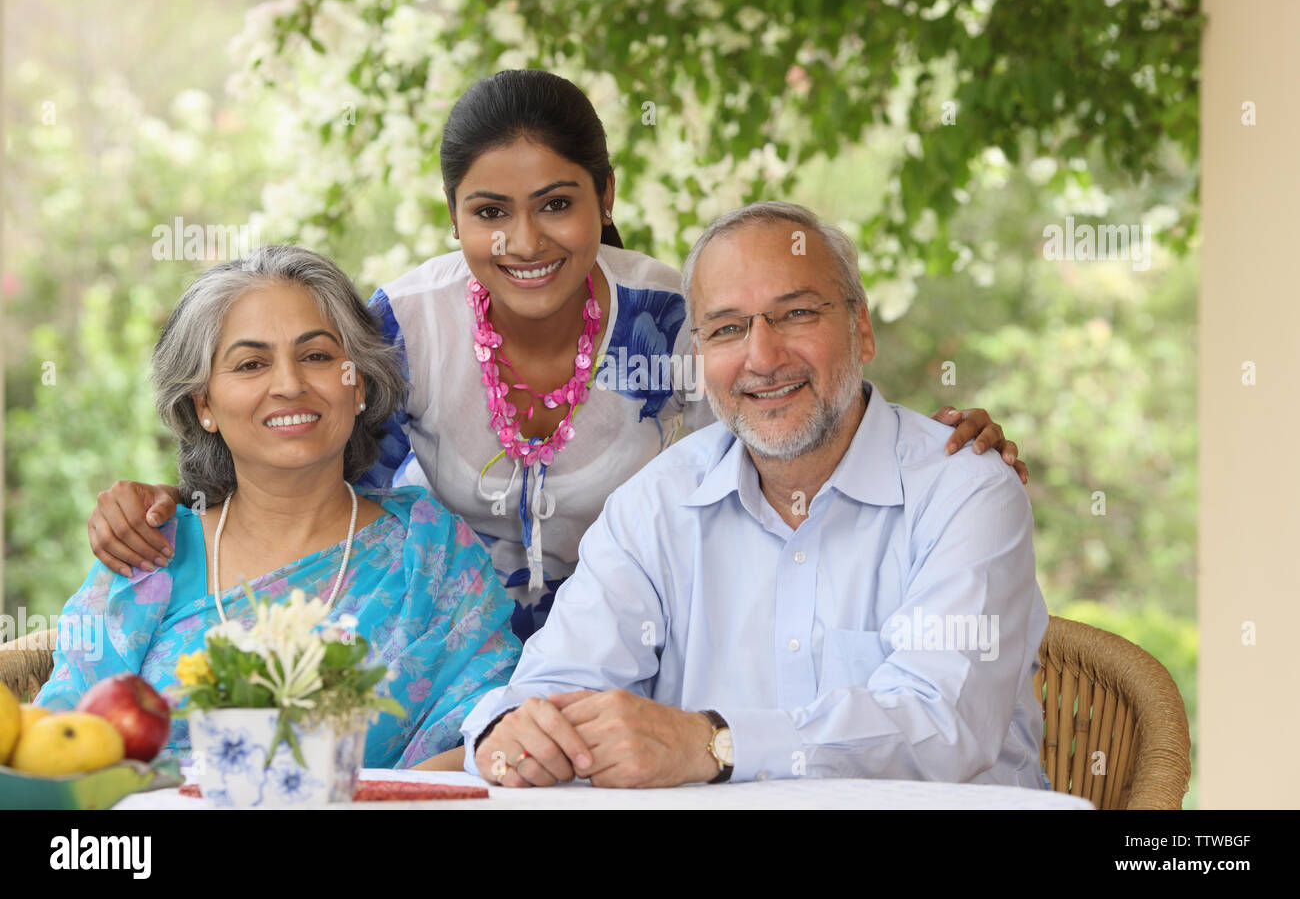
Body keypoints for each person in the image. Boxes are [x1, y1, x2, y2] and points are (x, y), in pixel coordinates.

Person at [87, 70, 1025, 646]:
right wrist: (179, 506)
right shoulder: (411, 325)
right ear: (454, 215)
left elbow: (788, 395)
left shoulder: (662, 312)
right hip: (456, 645)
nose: (525, 240)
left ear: (604, 195)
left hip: (656, 640)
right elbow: (302, 464)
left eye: (558, 203)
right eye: (489, 211)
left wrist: (928, 453)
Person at [462, 202, 1051, 790]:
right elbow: (552, 688)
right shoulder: (655, 506)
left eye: (795, 314)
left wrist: (713, 743)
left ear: (861, 328)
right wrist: (511, 731)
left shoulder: (965, 489)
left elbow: (941, 727)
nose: (763, 358)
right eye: (726, 328)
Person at [37, 246, 520, 770]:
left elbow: (491, 738)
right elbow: (59, 740)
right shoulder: (149, 553)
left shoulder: (429, 552)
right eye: (251, 364)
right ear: (204, 406)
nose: (289, 385)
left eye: (316, 356)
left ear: (356, 382)